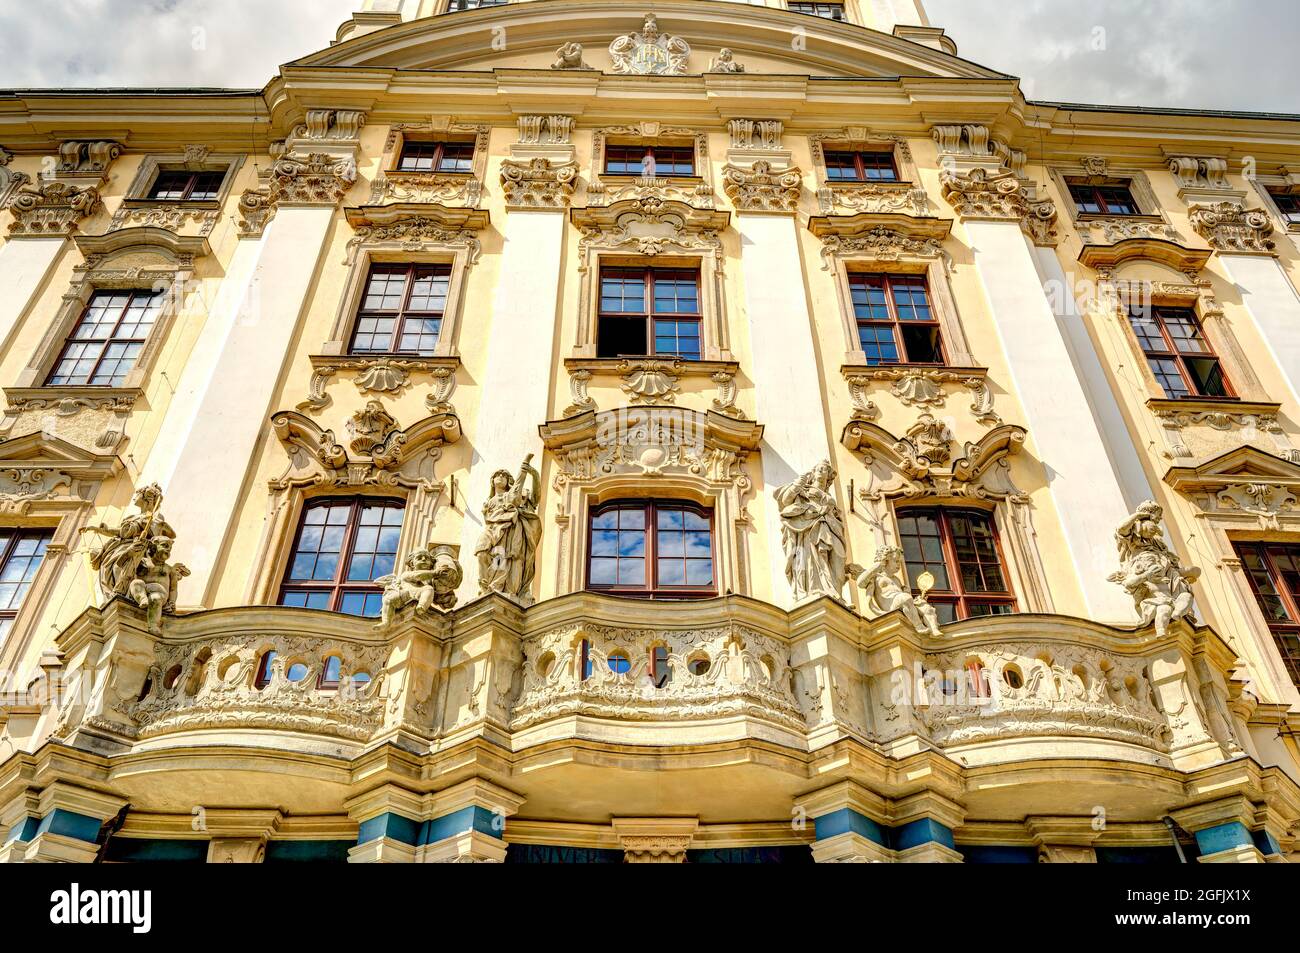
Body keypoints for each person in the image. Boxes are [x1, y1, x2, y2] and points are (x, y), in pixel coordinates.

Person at [774, 460, 847, 602]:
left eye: (824, 470)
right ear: (813, 474)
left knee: (838, 563)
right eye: (818, 469)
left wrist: (828, 514)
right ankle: (814, 589)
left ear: (829, 476)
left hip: (830, 529)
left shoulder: (830, 499)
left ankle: (834, 592)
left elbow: (838, 520)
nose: (821, 471)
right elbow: (785, 500)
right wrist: (798, 484)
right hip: (807, 530)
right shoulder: (804, 490)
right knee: (810, 559)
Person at [476, 454, 542, 603]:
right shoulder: (489, 502)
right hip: (493, 529)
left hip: (510, 531)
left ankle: (500, 588)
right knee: (481, 552)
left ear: (508, 481)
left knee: (507, 559)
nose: (500, 476)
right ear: (492, 482)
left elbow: (524, 495)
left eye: (504, 475)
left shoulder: (515, 496)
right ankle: (485, 585)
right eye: (497, 475)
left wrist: (529, 472)